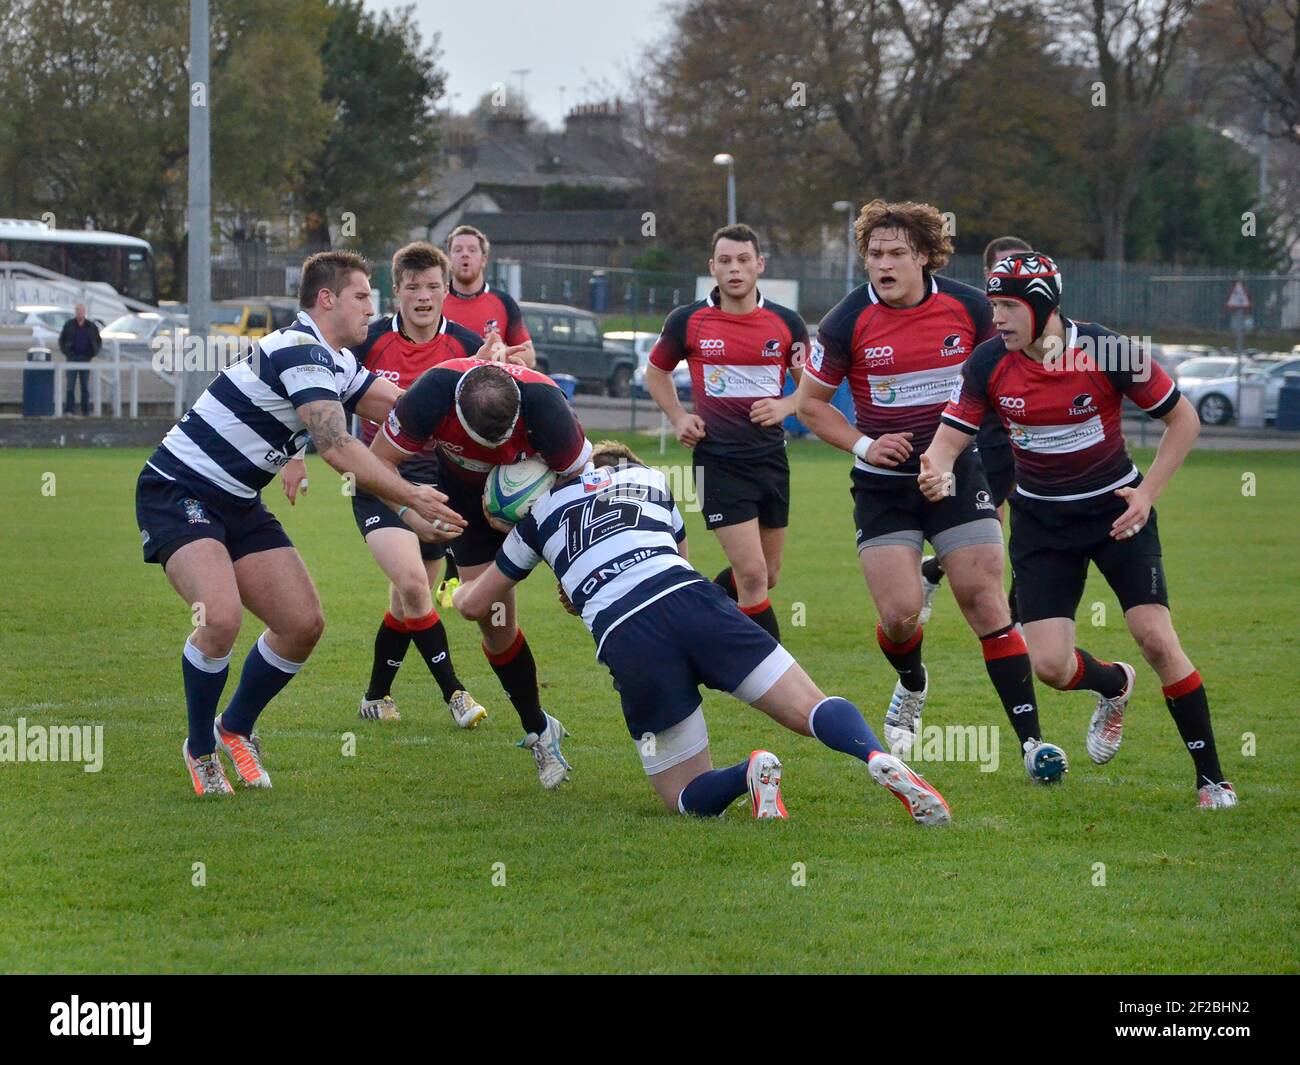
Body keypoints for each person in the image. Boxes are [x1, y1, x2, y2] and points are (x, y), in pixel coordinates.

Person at [452, 440, 950, 824]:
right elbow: (677, 557)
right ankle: (875, 755)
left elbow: (476, 604)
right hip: (693, 600)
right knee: (813, 706)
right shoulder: (650, 481)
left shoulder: (538, 518)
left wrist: (455, 589)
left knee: (684, 797)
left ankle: (748, 772)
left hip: (629, 635)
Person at [135, 250, 463, 796]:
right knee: (219, 619)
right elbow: (336, 446)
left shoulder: (336, 360)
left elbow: (400, 408)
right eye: (362, 297)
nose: (371, 310)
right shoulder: (299, 349)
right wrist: (411, 498)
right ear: (327, 299)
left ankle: (234, 727)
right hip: (179, 490)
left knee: (302, 624)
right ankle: (200, 747)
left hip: (237, 501)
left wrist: (471, 418)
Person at [920, 250, 1237, 809]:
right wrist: (937, 470)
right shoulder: (987, 362)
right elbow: (949, 439)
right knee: (1049, 666)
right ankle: (1113, 685)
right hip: (1041, 524)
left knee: (1156, 638)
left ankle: (1212, 780)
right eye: (992, 306)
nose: (997, 318)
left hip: (1117, 513)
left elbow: (1182, 419)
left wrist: (1147, 494)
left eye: (1009, 307)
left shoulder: (1106, 349)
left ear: (1042, 307)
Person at [795, 199, 1064, 784]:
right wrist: (866, 445)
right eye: (874, 254)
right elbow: (810, 406)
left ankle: (1032, 744)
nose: (883, 264)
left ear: (923, 256)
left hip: (960, 473)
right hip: (884, 487)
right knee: (899, 615)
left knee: (985, 599)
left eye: (895, 254)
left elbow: (1022, 364)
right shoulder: (845, 321)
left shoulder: (970, 307)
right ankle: (912, 683)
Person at [282, 242, 509, 727]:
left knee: (408, 601)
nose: (423, 297)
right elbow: (310, 393)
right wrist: (295, 455)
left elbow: (490, 415)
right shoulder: (367, 339)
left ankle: (375, 696)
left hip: (441, 481)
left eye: (432, 287)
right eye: (412, 288)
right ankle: (457, 695)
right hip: (377, 476)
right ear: (397, 293)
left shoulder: (468, 346)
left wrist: (497, 367)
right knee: (411, 584)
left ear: (447, 291)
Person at [370, 358, 592, 789]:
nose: (499, 452)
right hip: (467, 506)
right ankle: (541, 726)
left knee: (593, 605)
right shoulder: (432, 393)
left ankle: (549, 733)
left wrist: (569, 570)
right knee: (491, 621)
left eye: (505, 441)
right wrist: (407, 509)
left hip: (547, 506)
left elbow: (582, 485)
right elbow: (377, 461)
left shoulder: (547, 407)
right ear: (456, 414)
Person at [645, 224, 806, 641]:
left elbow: (813, 385)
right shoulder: (688, 321)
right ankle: (773, 674)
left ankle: (694, 613)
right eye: (726, 261)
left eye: (744, 260)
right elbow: (656, 372)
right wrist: (680, 417)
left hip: (771, 459)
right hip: (717, 461)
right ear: (712, 267)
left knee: (768, 576)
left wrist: (787, 405)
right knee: (751, 575)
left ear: (759, 265)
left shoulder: (786, 324)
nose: (735, 269)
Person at [919, 235, 1031, 625]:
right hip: (986, 433)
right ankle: (1008, 613)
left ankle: (1016, 612)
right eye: (1004, 269)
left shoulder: (1037, 320)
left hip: (1029, 430)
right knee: (990, 522)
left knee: (1030, 517)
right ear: (987, 276)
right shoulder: (975, 315)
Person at [59, 303, 101, 416]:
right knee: (70, 386)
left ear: (84, 312)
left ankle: (85, 410)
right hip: (72, 359)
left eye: (81, 311)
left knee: (85, 386)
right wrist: (67, 353)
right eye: (78, 311)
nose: (79, 313)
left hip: (85, 359)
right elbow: (62, 340)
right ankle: (69, 410)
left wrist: (92, 354)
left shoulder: (91, 326)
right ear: (75, 312)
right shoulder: (69, 325)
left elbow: (97, 341)